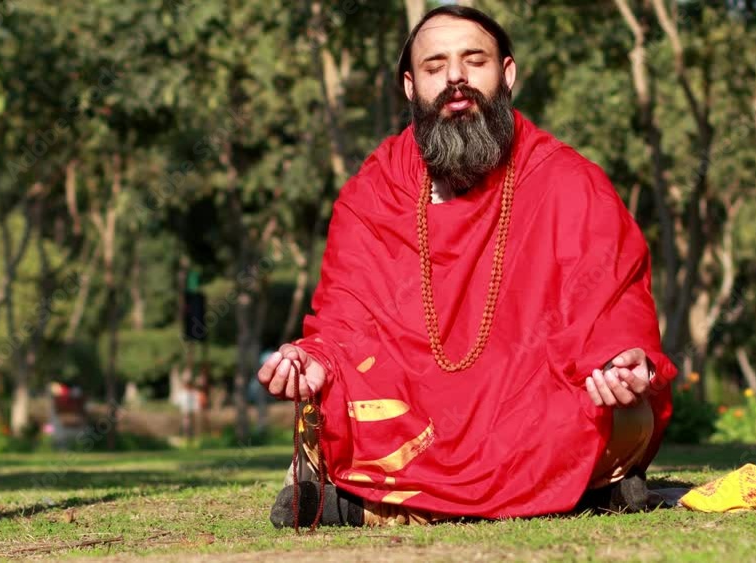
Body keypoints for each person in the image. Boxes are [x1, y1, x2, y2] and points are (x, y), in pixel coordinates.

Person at [257, 5, 677, 528]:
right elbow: (343, 322)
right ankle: (577, 492)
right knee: (320, 408)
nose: (455, 78)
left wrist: (621, 361)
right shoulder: (374, 191)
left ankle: (376, 506)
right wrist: (314, 362)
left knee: (618, 414)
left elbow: (614, 306)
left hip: (525, 404)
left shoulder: (570, 182)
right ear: (411, 87)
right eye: (435, 67)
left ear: (507, 74)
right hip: (416, 408)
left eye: (473, 61)